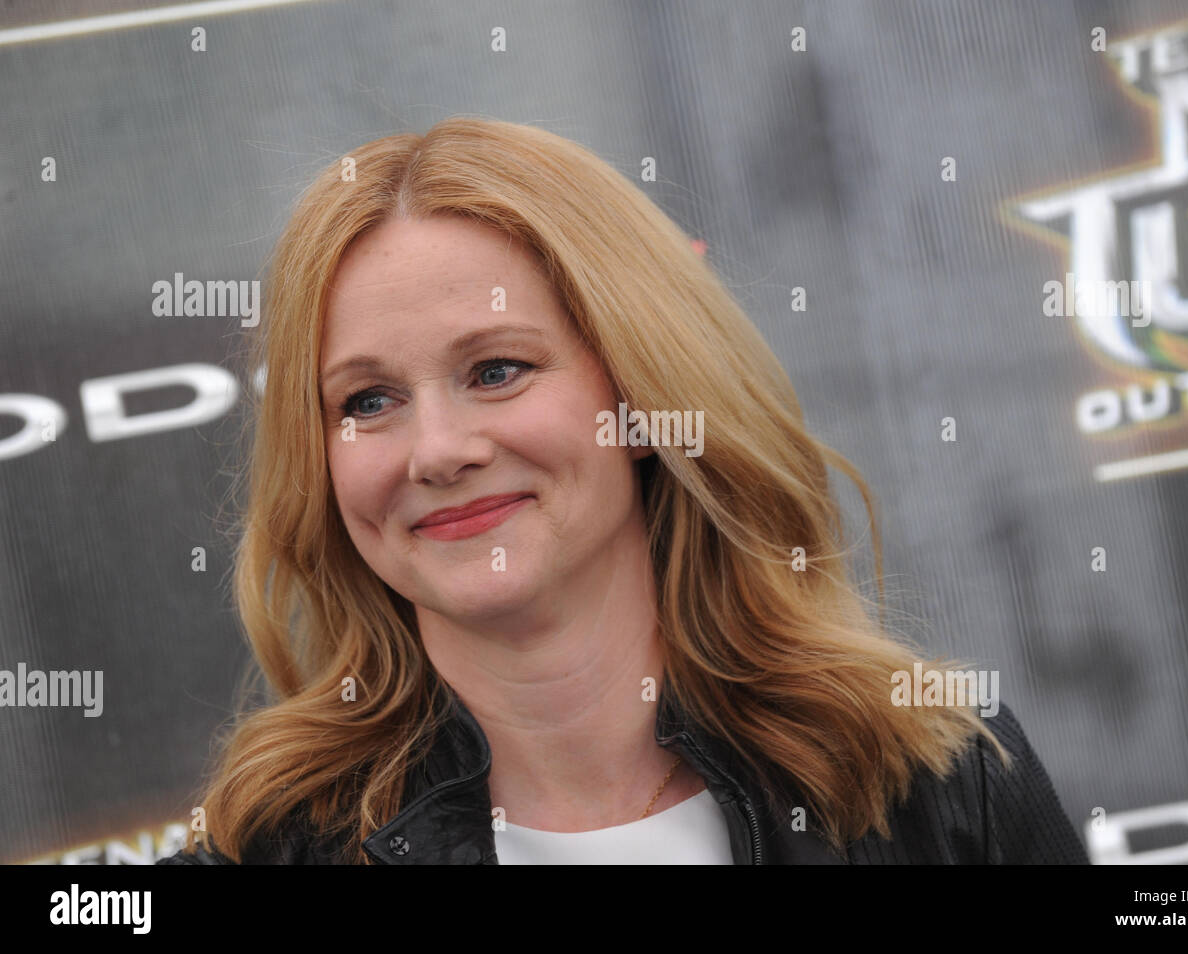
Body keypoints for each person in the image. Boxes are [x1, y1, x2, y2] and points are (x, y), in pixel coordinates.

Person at [158, 116, 1087, 865]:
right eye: (368, 400)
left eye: (496, 371)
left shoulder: (937, 779)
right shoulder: (266, 851)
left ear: (643, 394)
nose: (436, 451)